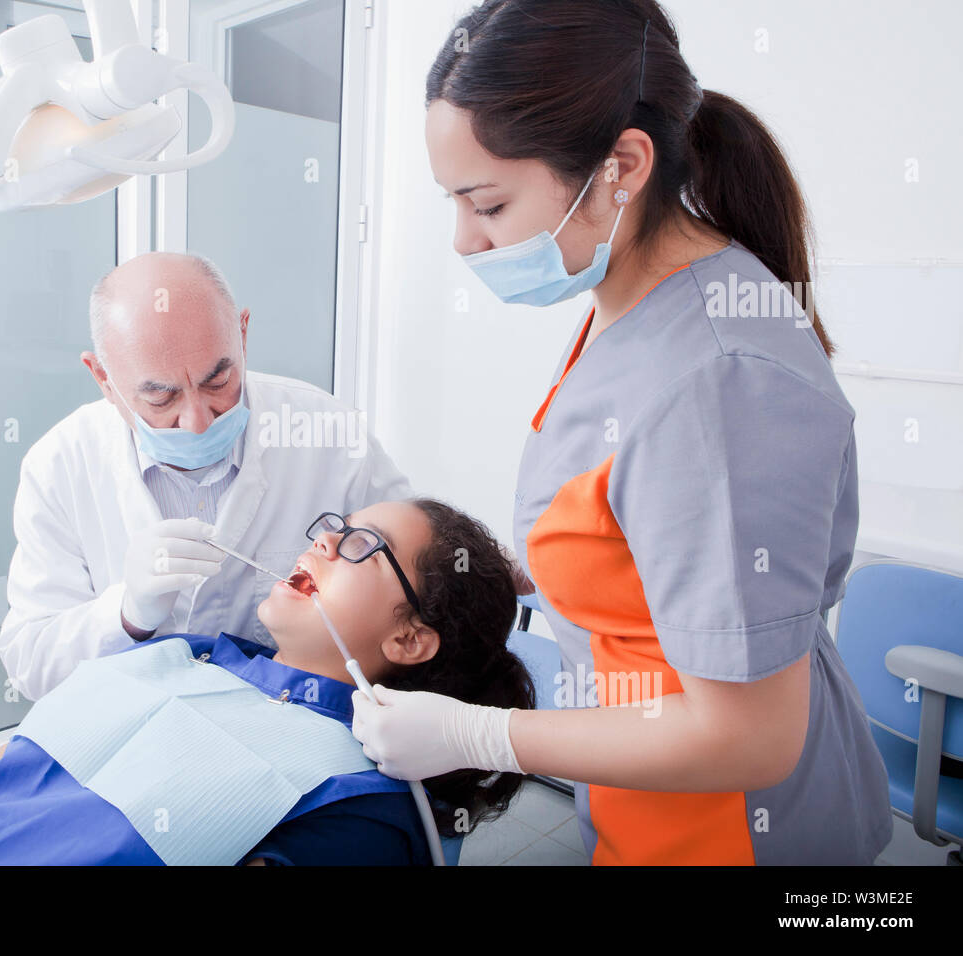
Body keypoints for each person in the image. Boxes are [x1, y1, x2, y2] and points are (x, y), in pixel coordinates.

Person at [351, 0, 893, 865]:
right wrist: (551, 568)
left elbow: (749, 738)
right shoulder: (628, 295)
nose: (463, 240)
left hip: (739, 834)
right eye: (453, 201)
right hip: (638, 805)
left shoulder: (722, 380)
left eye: (487, 203)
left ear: (623, 166)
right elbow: (647, 512)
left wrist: (480, 736)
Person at [0, 499, 533, 866]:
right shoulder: (186, 654)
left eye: (363, 545)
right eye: (338, 524)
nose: (325, 540)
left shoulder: (358, 806)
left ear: (409, 640)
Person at [0, 252, 411, 701]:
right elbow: (31, 666)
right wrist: (127, 615)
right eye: (162, 398)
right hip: (129, 722)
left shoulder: (329, 433)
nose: (197, 422)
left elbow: (418, 581)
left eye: (218, 382)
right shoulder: (60, 464)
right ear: (103, 378)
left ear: (243, 335)